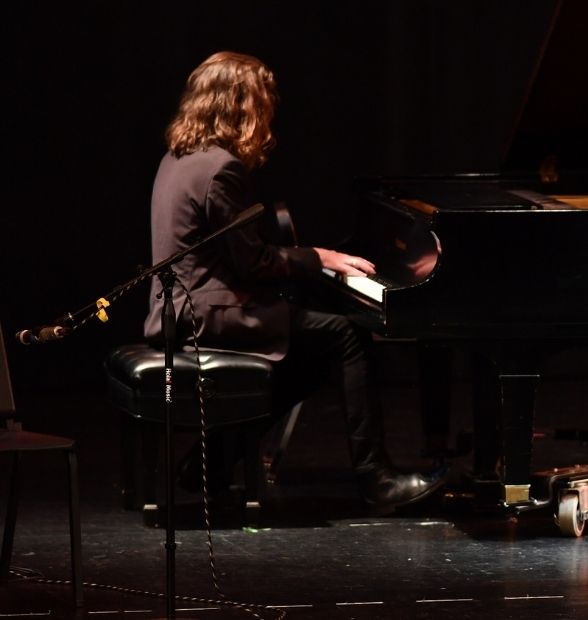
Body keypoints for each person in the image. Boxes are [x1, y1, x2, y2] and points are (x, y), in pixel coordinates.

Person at [144, 51, 445, 513]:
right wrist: (319, 258)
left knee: (311, 355)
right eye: (263, 103)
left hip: (182, 310)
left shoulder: (180, 157)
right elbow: (253, 264)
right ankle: (376, 479)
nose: (268, 116)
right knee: (346, 337)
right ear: (241, 104)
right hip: (206, 316)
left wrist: (309, 264)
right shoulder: (222, 168)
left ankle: (211, 461)